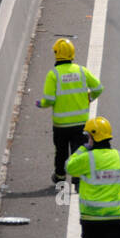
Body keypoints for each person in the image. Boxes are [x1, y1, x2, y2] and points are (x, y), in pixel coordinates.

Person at [37, 38, 103, 184]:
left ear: (56, 53)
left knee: (61, 151)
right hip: (81, 122)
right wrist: (89, 98)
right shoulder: (81, 71)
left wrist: (40, 104)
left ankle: (60, 177)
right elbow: (98, 88)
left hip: (61, 125)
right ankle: (77, 176)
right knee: (78, 150)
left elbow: (49, 100)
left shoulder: (53, 74)